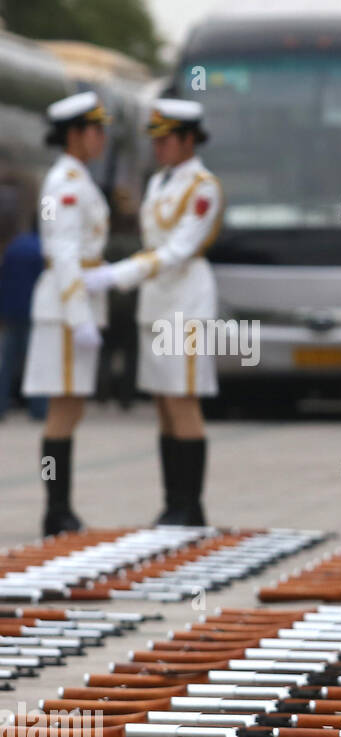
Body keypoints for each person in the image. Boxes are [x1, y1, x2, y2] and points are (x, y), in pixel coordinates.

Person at [84, 100, 224, 526]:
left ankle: (190, 505)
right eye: (156, 140)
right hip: (156, 302)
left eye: (165, 140)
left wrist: (117, 275)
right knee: (164, 401)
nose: (158, 148)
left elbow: (178, 251)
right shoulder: (160, 182)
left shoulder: (203, 186)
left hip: (185, 302)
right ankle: (173, 503)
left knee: (182, 400)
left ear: (187, 139)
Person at [20, 92, 112, 536]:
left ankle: (61, 508)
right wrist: (79, 319)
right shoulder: (67, 184)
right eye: (95, 130)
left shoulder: (77, 178)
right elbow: (64, 255)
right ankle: (56, 510)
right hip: (65, 310)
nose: (102, 138)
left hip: (72, 306)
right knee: (61, 411)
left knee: (69, 410)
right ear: (75, 134)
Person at [0, 219, 47, 421]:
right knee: (35, 363)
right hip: (33, 312)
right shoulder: (42, 249)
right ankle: (38, 409)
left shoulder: (14, 246)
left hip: (11, 311)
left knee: (7, 362)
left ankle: (1, 405)